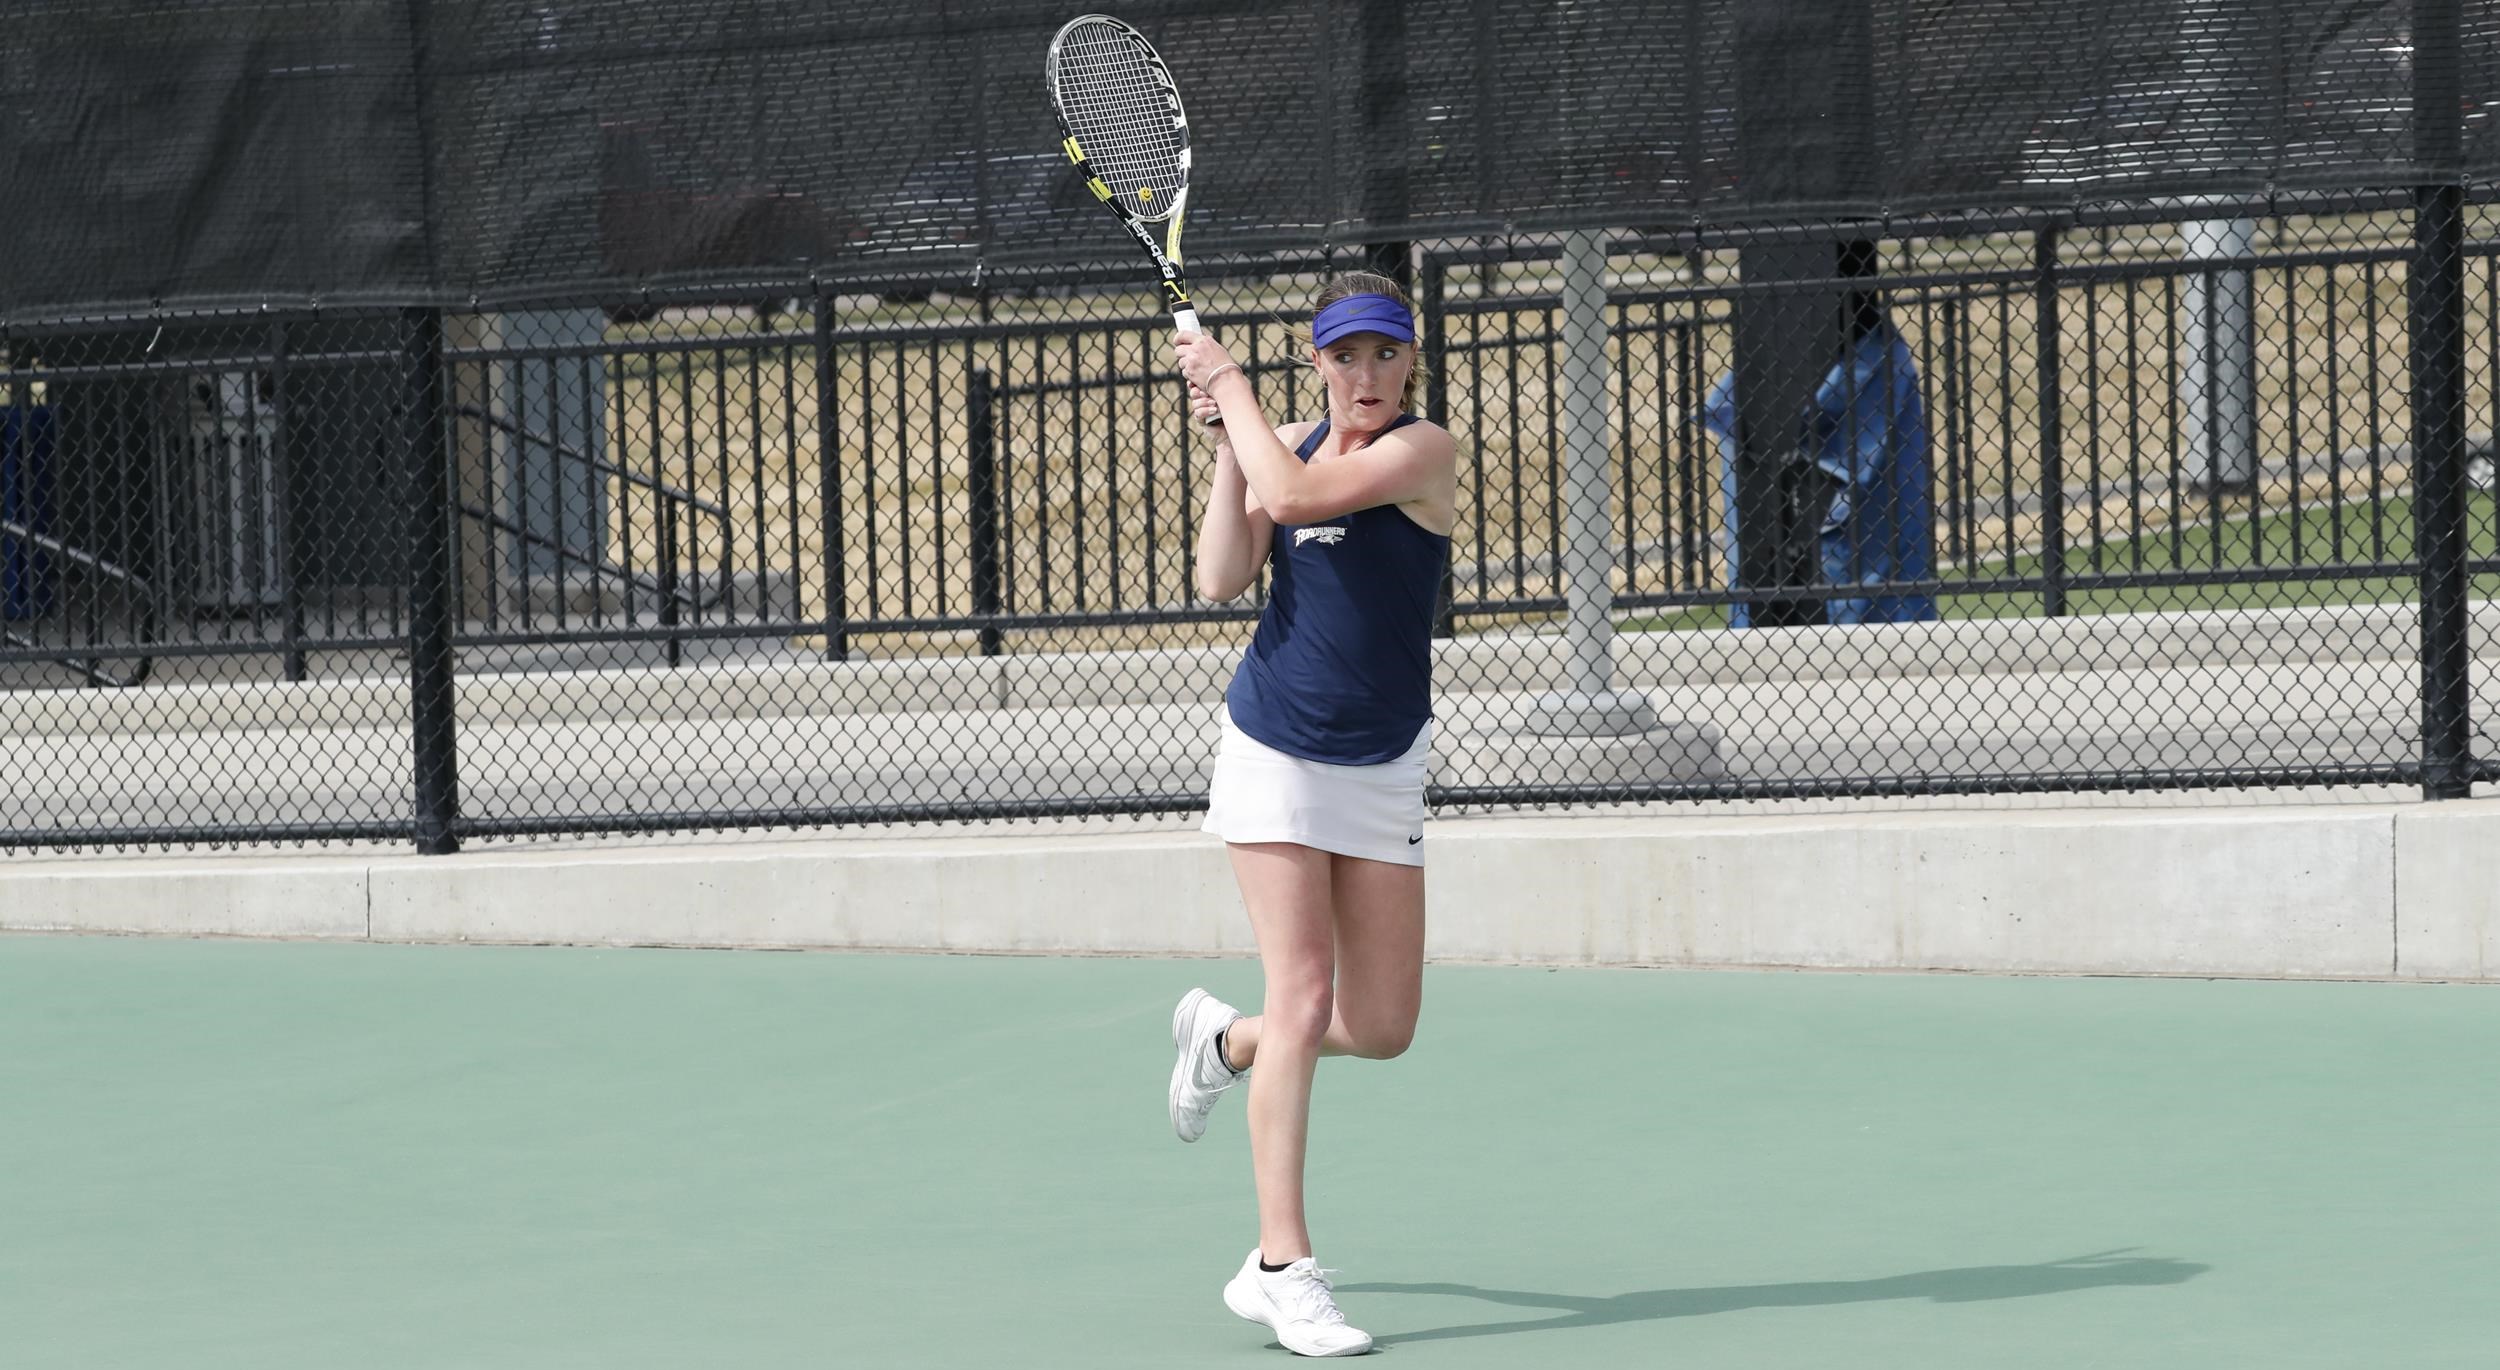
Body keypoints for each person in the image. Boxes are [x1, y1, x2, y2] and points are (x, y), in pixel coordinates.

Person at [1164, 271, 1458, 1358]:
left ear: (1411, 359)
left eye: (1386, 353)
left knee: (1381, 1027)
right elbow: (1220, 573)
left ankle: (1224, 1041)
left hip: (1381, 763)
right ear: (1317, 360)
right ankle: (1280, 1268)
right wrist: (1225, 449)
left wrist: (1231, 389)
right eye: (1344, 355)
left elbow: (1292, 500)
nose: (1366, 374)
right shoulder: (1281, 443)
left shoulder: (1422, 450)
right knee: (1303, 992)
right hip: (1275, 748)